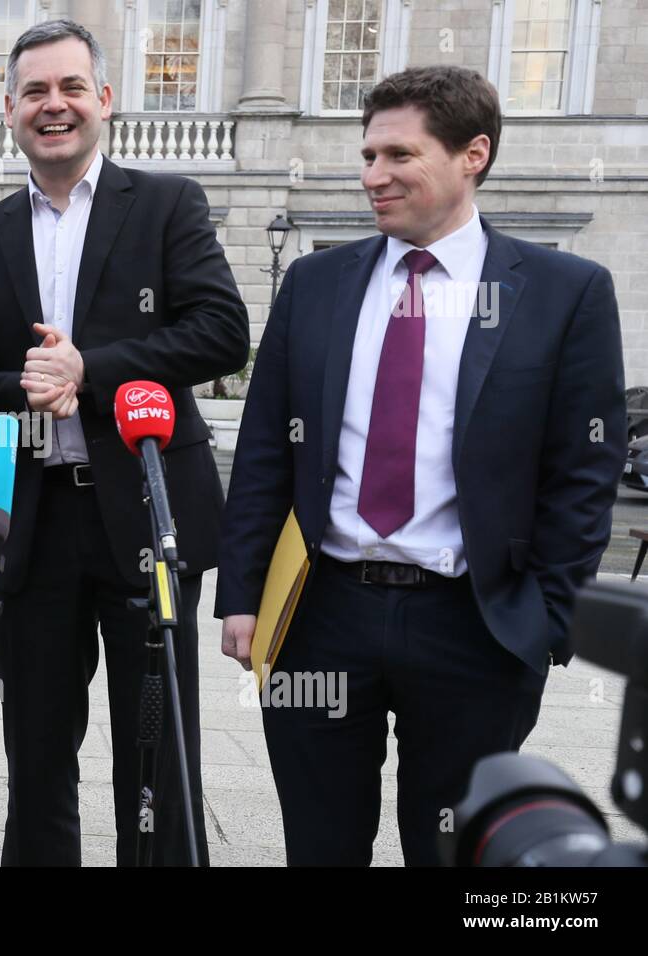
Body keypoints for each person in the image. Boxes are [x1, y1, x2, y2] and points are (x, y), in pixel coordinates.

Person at [216, 66, 627, 866]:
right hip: (321, 618)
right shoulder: (316, 282)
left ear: (473, 154)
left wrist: (545, 618)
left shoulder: (562, 291)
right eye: (368, 155)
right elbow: (266, 446)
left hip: (476, 627)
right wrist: (243, 596)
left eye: (399, 154)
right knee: (320, 847)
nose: (373, 176)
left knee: (453, 853)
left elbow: (583, 471)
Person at [0, 20, 250, 866]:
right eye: (36, 92)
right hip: (36, 525)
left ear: (104, 100)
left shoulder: (166, 202)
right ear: (9, 109)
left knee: (157, 755)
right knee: (37, 754)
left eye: (72, 88)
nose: (56, 106)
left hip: (149, 515)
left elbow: (223, 332)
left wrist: (94, 368)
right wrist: (34, 389)